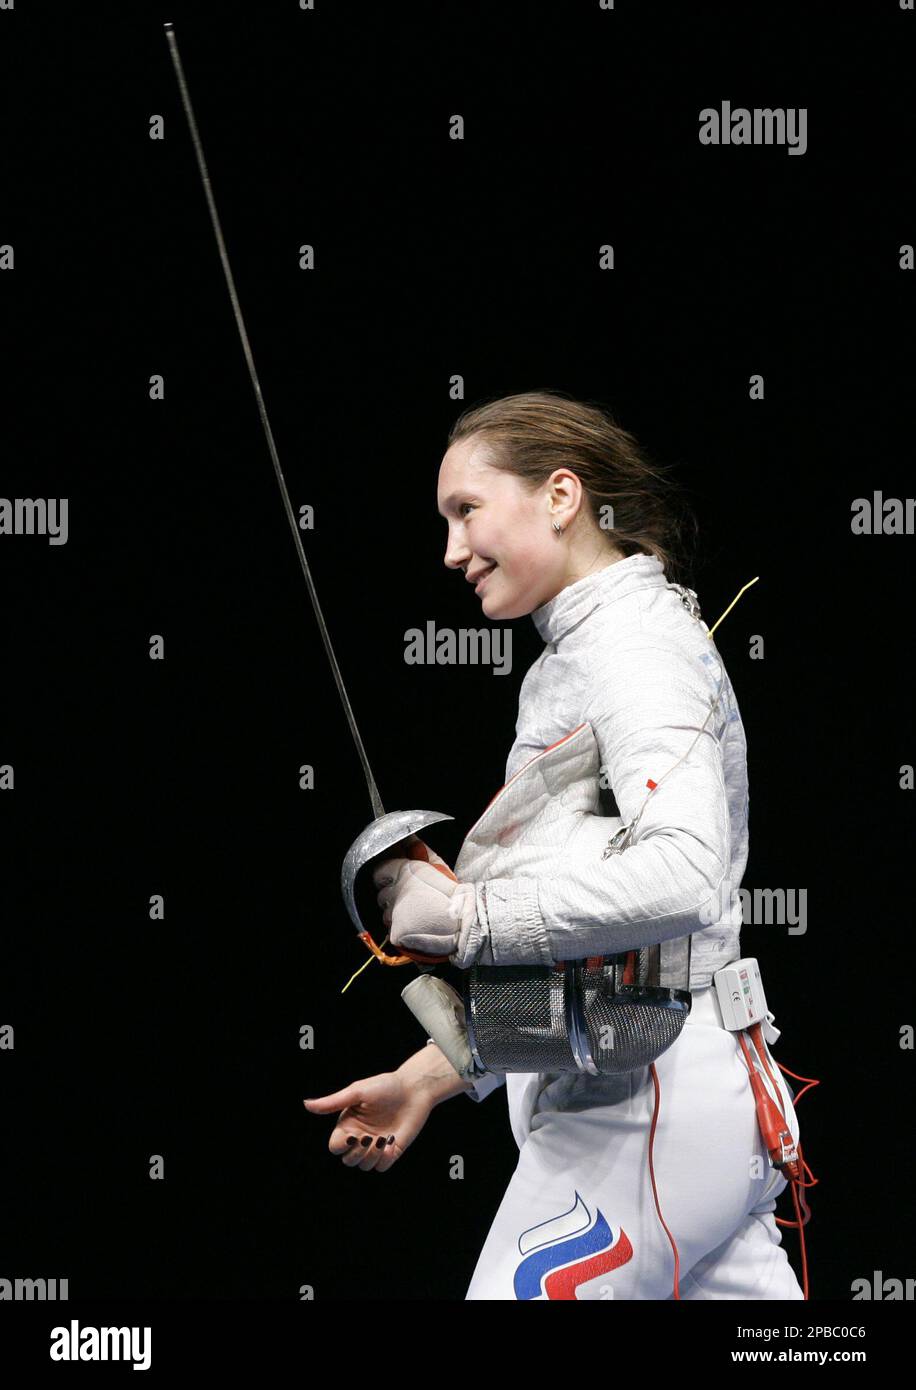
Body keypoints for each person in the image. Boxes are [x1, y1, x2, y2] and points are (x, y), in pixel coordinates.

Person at [304, 390, 803, 1300]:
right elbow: (612, 951)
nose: (452, 550)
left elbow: (686, 874)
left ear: (562, 496)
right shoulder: (585, 651)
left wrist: (466, 914)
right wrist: (439, 1070)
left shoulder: (634, 646)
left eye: (468, 511)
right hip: (673, 1096)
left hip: (643, 1109)